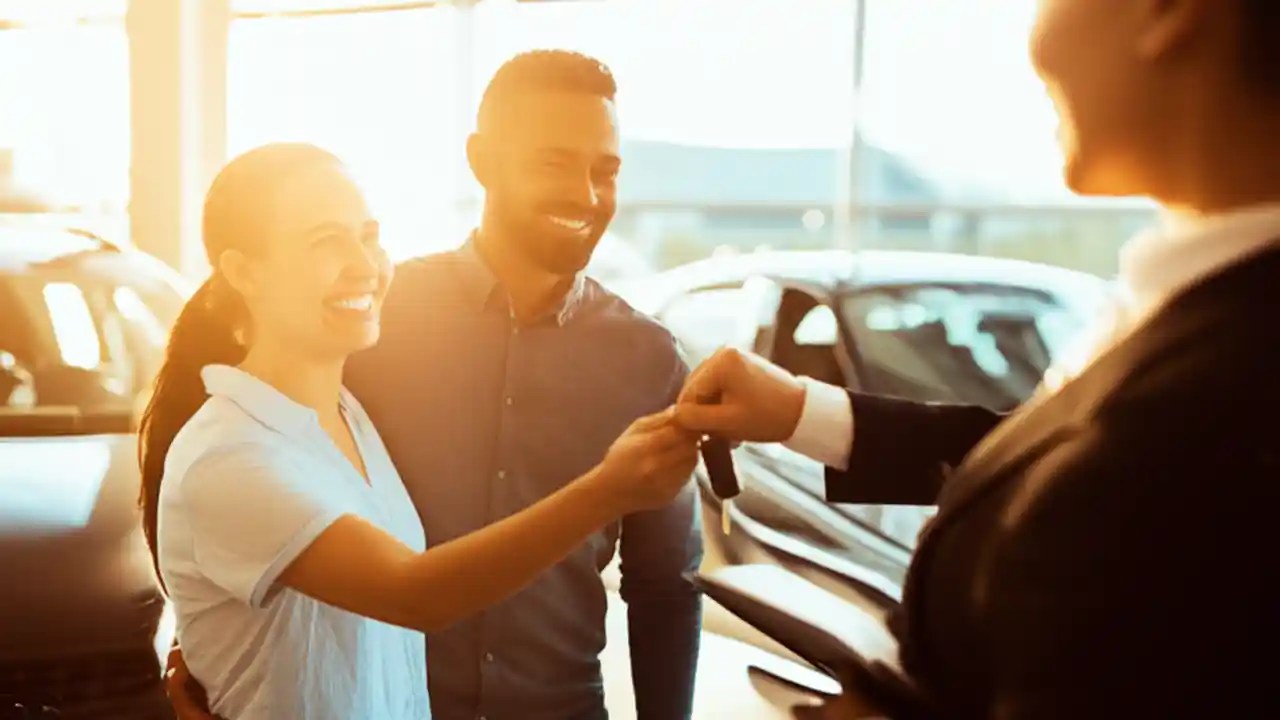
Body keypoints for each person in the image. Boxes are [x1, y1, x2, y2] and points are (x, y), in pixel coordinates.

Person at [675, 1, 1280, 718]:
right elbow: (1038, 461)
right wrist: (801, 410)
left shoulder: (1219, 406)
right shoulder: (1204, 305)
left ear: (1170, 13)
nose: (1036, 38)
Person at [166, 51, 704, 720]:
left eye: (605, 170)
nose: (586, 195)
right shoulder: (368, 320)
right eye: (554, 163)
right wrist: (205, 645)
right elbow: (228, 485)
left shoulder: (648, 359)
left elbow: (665, 586)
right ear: (481, 161)